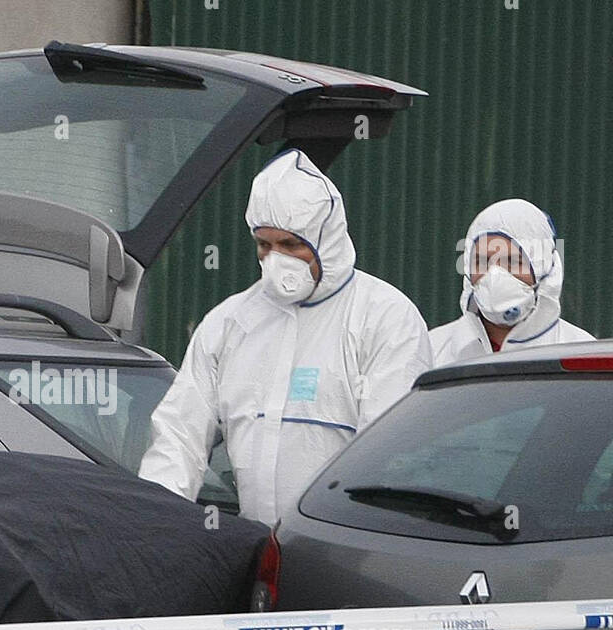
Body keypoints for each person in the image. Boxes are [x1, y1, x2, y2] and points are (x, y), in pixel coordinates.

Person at [139, 149, 433, 527]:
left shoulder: (385, 318)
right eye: (264, 244)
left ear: (326, 240)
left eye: (291, 245)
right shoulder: (230, 323)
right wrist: (155, 521)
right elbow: (180, 437)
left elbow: (390, 457)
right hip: (257, 547)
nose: (275, 259)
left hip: (343, 552)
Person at [430, 198, 593, 365]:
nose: (495, 275)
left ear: (544, 269)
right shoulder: (433, 350)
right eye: (482, 262)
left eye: (512, 262)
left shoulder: (582, 354)